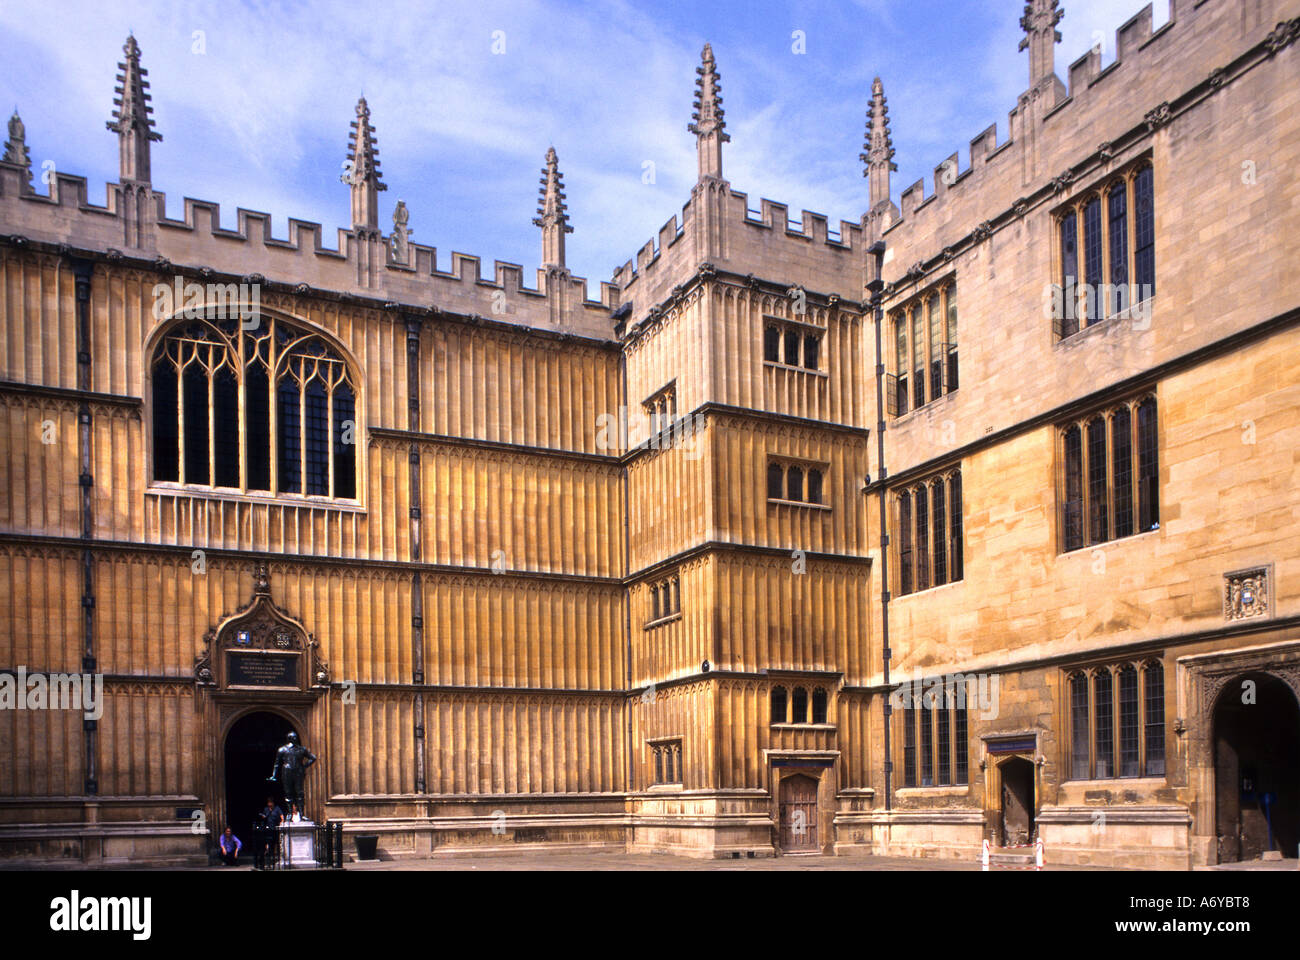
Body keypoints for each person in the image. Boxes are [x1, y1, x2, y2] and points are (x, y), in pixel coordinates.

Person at [255, 797, 283, 868]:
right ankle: (267, 862)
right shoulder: (266, 809)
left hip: (275, 829)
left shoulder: (277, 809)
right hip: (267, 830)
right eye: (268, 803)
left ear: (273, 803)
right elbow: (264, 817)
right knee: (267, 846)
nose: (269, 804)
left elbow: (282, 817)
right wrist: (263, 816)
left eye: (270, 802)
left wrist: (281, 823)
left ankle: (275, 861)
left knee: (274, 845)